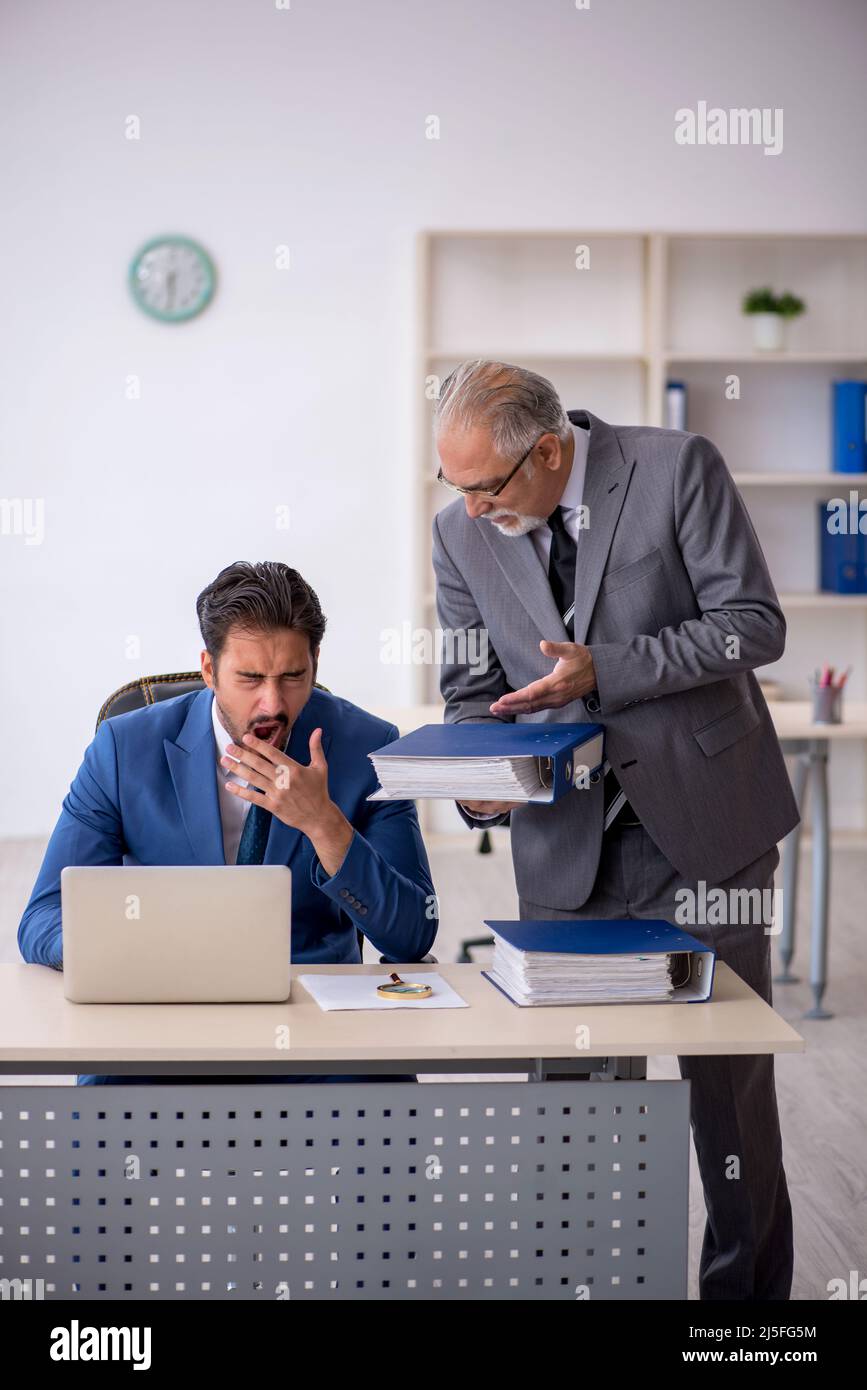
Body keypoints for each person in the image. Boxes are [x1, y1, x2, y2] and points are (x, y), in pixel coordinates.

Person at [431, 358, 799, 1301]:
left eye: (483, 486)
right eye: (453, 484)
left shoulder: (676, 468)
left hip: (706, 829)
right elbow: (471, 691)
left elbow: (751, 626)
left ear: (547, 451)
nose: (469, 507)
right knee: (574, 1094)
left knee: (727, 1096)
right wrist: (480, 783)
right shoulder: (456, 535)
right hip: (566, 848)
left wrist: (607, 669)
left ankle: (748, 1321)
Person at [19, 560, 436, 1083]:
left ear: (316, 662)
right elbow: (40, 919)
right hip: (162, 1015)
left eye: (292, 677)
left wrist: (325, 825)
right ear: (209, 669)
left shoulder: (368, 746)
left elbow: (412, 936)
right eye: (250, 678)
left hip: (316, 1025)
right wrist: (127, 953)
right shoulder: (125, 749)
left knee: (386, 1108)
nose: (273, 703)